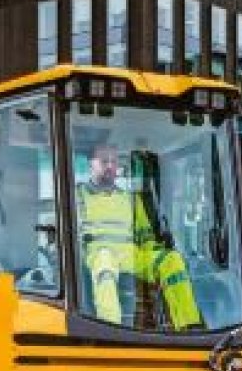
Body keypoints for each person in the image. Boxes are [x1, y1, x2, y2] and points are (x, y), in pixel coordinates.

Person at [77, 141, 203, 330]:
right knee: (105, 264)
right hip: (97, 253)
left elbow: (145, 236)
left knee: (172, 259)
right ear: (91, 164)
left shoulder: (130, 199)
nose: (110, 166)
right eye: (104, 161)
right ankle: (112, 329)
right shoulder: (78, 195)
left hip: (130, 254)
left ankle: (189, 325)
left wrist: (157, 253)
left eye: (114, 161)